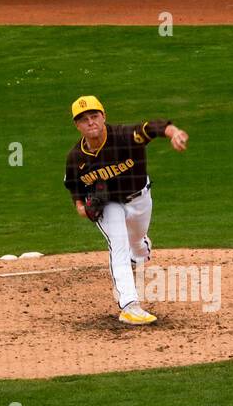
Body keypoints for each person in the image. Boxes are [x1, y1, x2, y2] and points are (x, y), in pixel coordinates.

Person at [64, 95, 188, 324]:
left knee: (138, 244)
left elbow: (152, 128)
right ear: (77, 125)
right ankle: (130, 306)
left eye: (94, 116)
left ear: (103, 117)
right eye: (83, 119)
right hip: (109, 205)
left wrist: (174, 133)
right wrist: (81, 208)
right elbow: (73, 186)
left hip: (139, 199)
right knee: (118, 246)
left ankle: (139, 252)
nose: (90, 122)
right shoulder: (76, 158)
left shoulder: (124, 136)